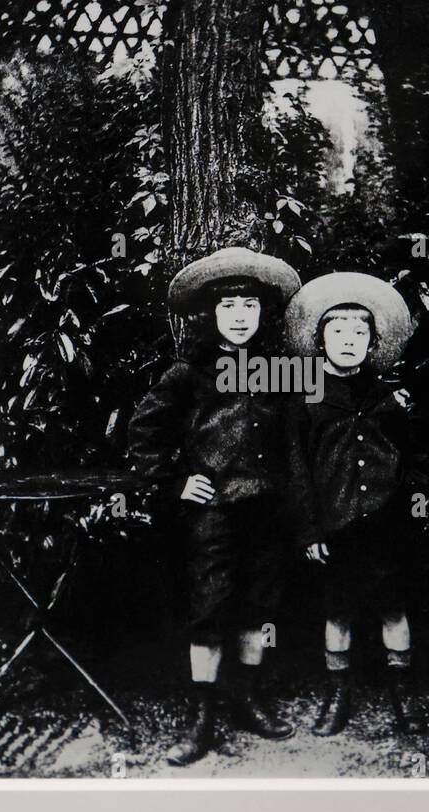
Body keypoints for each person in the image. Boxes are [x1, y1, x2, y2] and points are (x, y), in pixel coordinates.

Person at [128, 247, 301, 766]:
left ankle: (246, 698)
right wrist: (177, 480)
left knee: (258, 604)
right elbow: (145, 432)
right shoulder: (189, 371)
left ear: (263, 313)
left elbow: (311, 423)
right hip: (214, 511)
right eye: (230, 309)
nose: (241, 318)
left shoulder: (281, 370)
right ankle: (201, 718)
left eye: (250, 308)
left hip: (267, 507)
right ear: (212, 314)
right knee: (209, 606)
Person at [286, 271, 422, 736]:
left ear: (373, 341)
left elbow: (413, 455)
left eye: (359, 332)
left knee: (393, 606)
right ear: (320, 340)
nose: (349, 340)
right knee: (338, 610)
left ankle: (402, 694)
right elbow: (296, 470)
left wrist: (412, 503)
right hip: (336, 523)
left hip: (386, 522)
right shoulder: (306, 395)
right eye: (338, 331)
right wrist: (308, 531)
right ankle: (337, 695)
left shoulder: (390, 395)